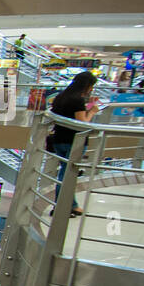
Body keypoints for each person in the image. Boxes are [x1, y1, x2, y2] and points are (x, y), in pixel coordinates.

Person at [49, 71, 98, 216]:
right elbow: (82, 123)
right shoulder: (77, 100)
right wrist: (92, 112)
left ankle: (72, 205)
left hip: (59, 140)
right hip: (73, 142)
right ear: (87, 86)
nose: (91, 90)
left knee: (66, 173)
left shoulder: (60, 97)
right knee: (67, 176)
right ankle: (60, 207)